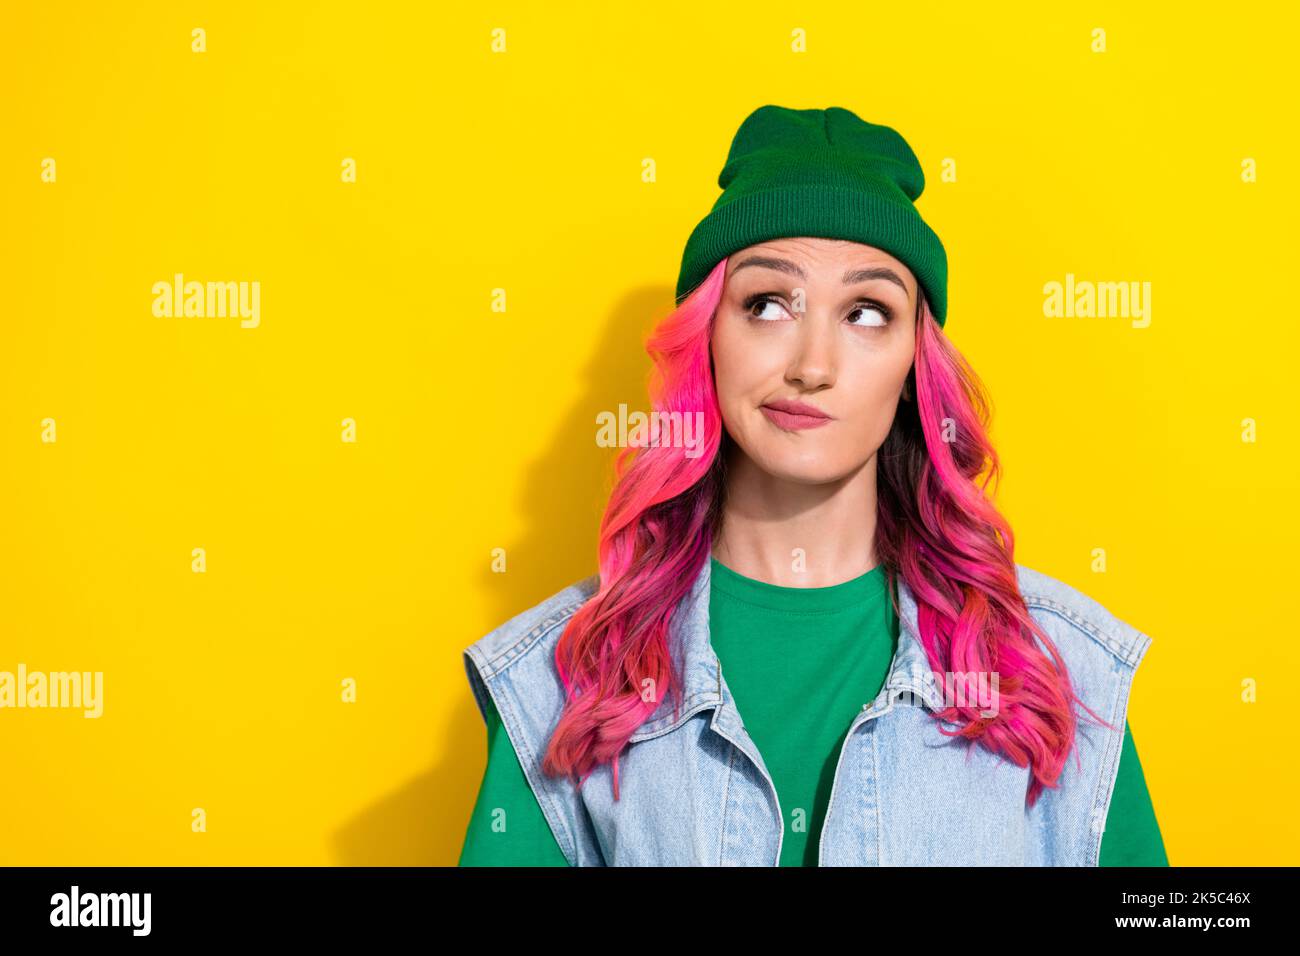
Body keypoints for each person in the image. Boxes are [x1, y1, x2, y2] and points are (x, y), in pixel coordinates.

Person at [458, 105, 1168, 866]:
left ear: (911, 372)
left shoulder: (1053, 673)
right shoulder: (566, 680)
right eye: (766, 304)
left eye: (867, 312)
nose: (813, 364)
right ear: (709, 339)